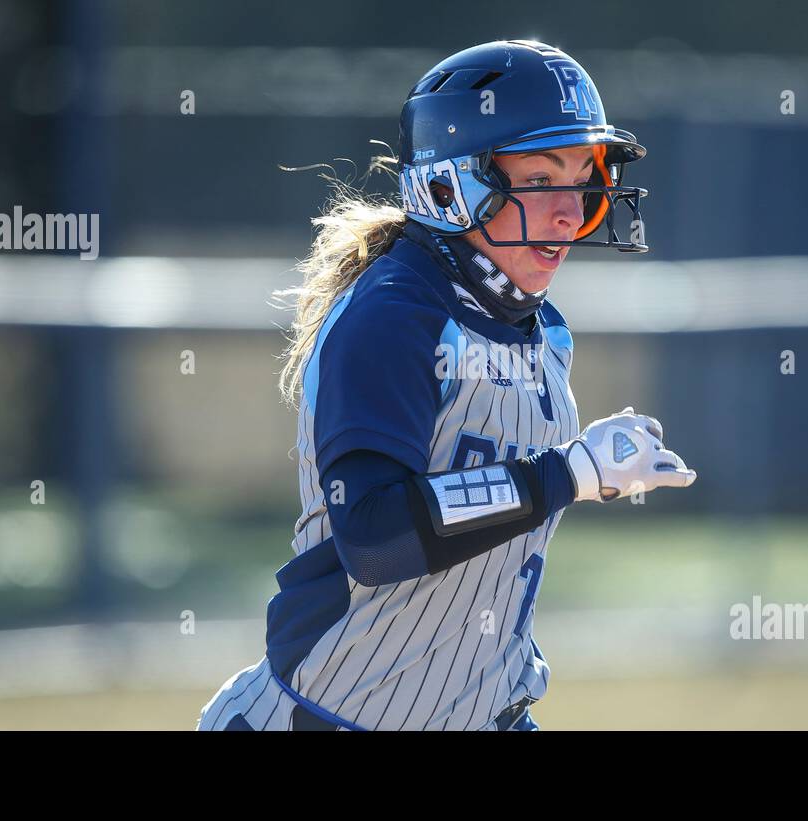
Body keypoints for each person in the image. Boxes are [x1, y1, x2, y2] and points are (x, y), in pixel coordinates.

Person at [197, 39, 695, 732]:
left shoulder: (543, 330)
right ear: (450, 186)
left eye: (583, 177)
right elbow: (375, 537)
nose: (569, 209)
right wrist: (567, 472)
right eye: (543, 177)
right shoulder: (394, 316)